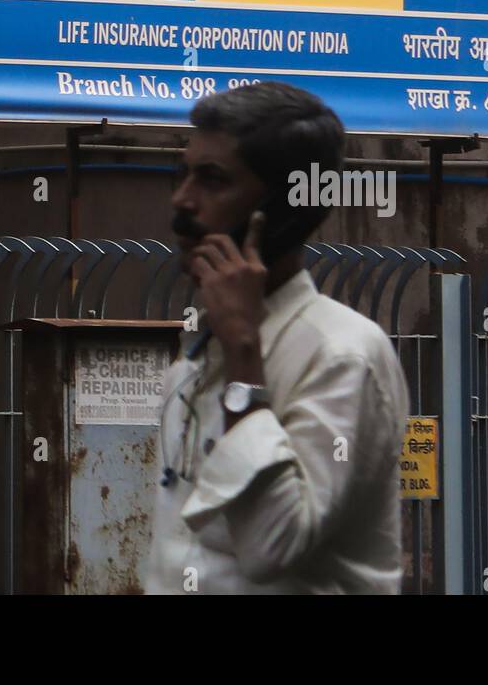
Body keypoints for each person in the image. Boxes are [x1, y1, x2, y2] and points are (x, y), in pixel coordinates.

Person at [144, 81, 409, 594]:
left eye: (212, 180)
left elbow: (273, 545)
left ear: (283, 210)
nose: (182, 201)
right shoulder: (194, 361)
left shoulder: (343, 355)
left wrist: (247, 361)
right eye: (181, 175)